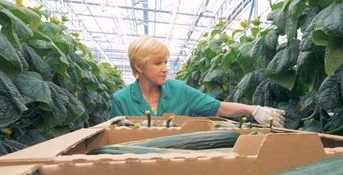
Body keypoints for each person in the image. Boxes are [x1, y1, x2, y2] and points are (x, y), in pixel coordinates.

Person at [108, 36, 286, 127]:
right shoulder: (122, 99)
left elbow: (219, 107)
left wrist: (253, 110)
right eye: (157, 63)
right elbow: (114, 136)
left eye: (165, 62)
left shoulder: (180, 90)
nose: (165, 68)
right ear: (139, 67)